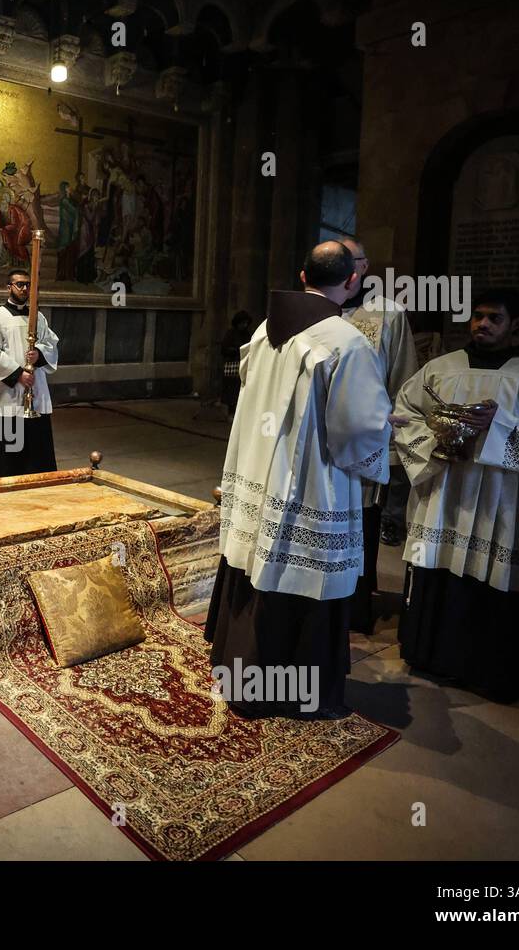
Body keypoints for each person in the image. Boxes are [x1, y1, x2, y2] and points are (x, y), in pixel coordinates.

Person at [205, 241, 393, 718]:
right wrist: (385, 441)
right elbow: (358, 431)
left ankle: (243, 675)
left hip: (256, 475)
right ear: (352, 282)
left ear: (302, 274)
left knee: (255, 565)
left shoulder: (270, 325)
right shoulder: (347, 342)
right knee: (302, 575)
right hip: (314, 485)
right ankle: (297, 691)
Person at [393, 288, 519, 702]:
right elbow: (404, 413)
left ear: (516, 325)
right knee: (438, 571)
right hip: (443, 493)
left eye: (495, 318)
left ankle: (486, 670)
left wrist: (501, 424)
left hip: (500, 502)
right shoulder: (441, 369)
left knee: (491, 578)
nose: (483, 324)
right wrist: (437, 442)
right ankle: (429, 656)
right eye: (478, 316)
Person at [339, 236, 419, 630]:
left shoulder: (386, 314)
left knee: (361, 526)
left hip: (365, 443)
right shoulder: (315, 309)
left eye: (348, 260)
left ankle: (354, 606)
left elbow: (404, 378)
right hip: (316, 446)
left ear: (364, 266)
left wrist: (391, 443)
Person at [0, 269, 60, 478]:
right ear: (9, 287)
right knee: (6, 451)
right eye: (19, 284)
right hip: (8, 392)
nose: (24, 289)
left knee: (35, 450)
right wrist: (18, 375)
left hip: (35, 389)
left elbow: (51, 344)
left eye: (28, 285)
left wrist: (39, 355)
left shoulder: (38, 317)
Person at [219, 311, 252, 415]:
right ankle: (230, 411)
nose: (244, 325)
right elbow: (224, 349)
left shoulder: (247, 334)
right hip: (232, 365)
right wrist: (237, 350)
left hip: (242, 363)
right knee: (231, 390)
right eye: (242, 323)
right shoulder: (231, 334)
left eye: (246, 323)